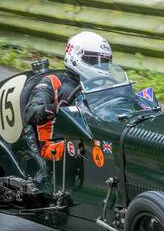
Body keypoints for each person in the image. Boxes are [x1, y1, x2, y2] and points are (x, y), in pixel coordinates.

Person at [22, 31, 112, 161]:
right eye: (94, 61)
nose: (101, 67)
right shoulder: (52, 82)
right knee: (85, 148)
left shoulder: (100, 87)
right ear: (75, 55)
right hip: (53, 145)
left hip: (90, 140)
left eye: (104, 62)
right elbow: (30, 112)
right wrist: (55, 109)